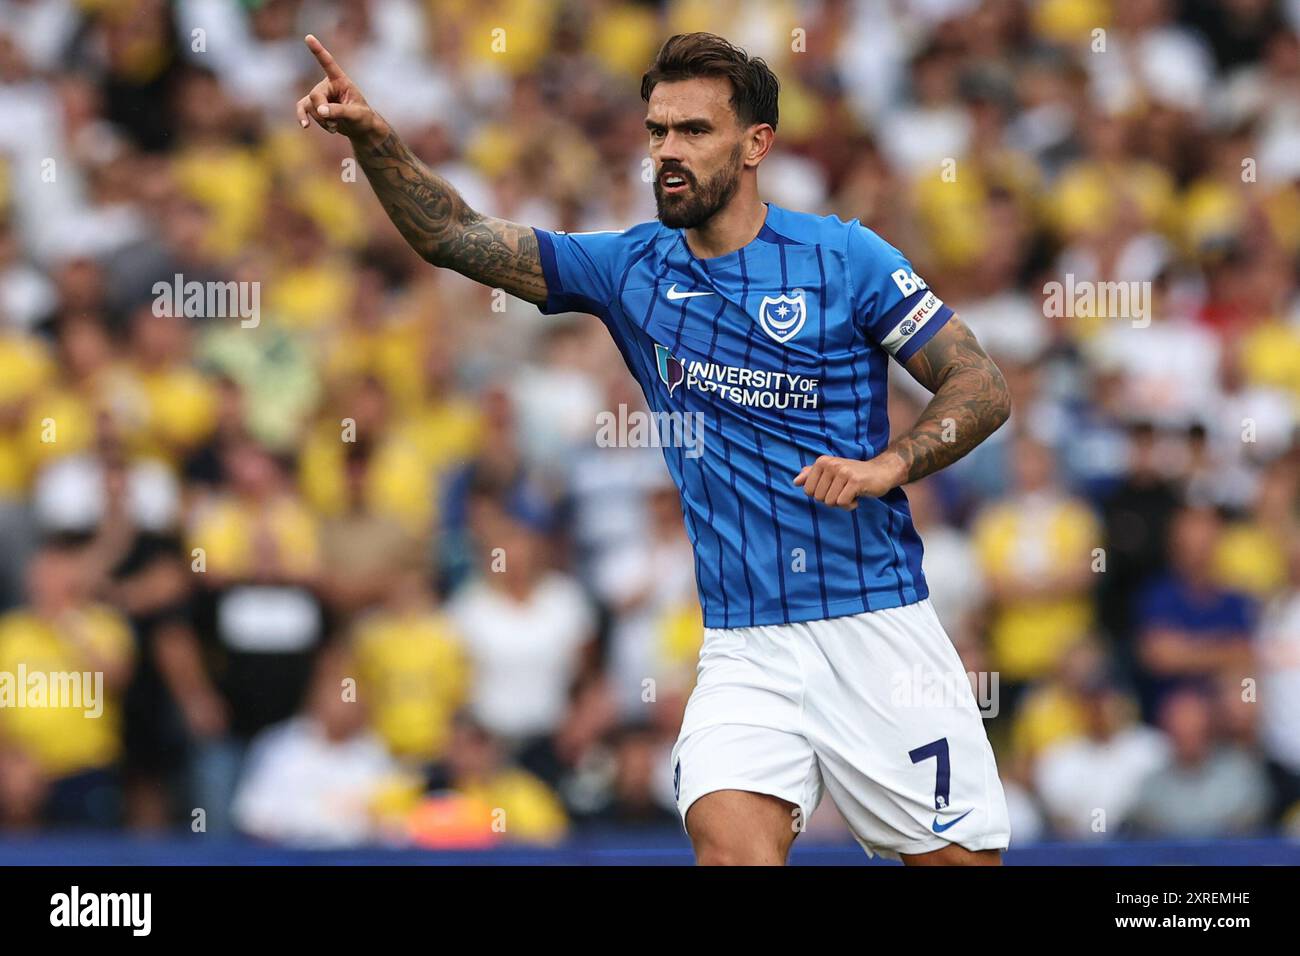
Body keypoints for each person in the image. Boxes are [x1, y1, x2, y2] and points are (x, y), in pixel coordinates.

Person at [295, 30, 1012, 865]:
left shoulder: (845, 258)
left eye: (694, 130)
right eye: (658, 131)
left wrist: (890, 464)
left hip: (874, 622)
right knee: (728, 847)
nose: (667, 151)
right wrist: (375, 140)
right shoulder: (631, 269)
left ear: (756, 145)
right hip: (746, 643)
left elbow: (979, 383)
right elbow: (453, 235)